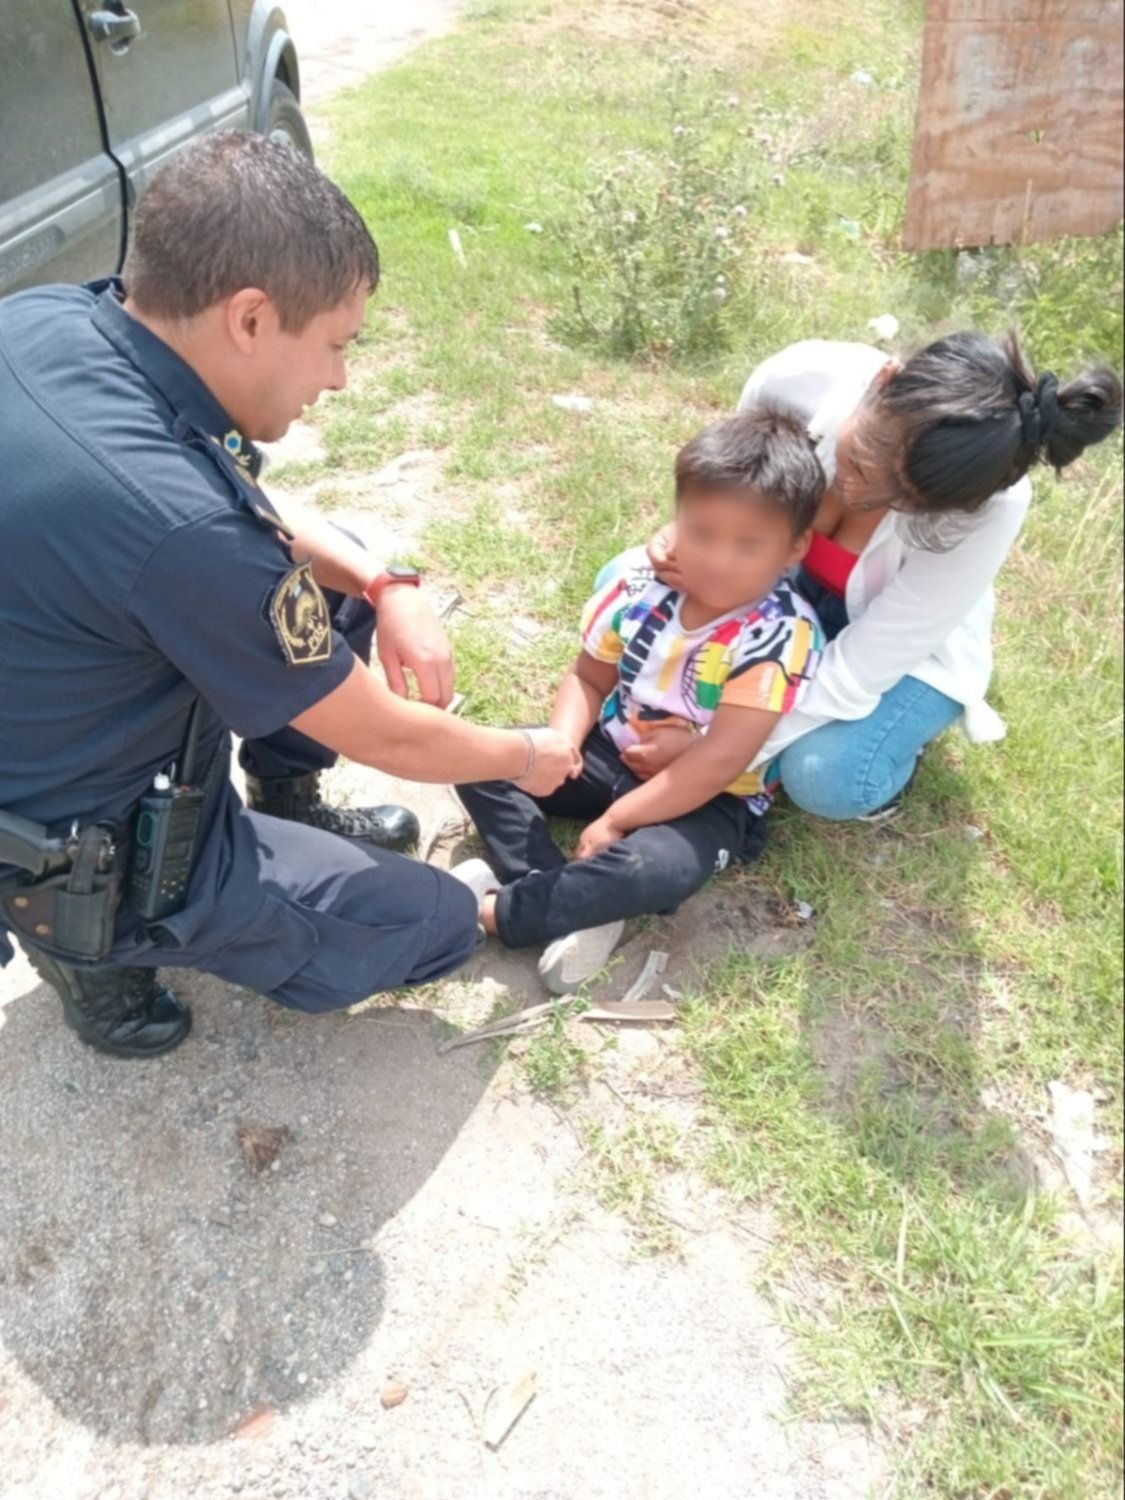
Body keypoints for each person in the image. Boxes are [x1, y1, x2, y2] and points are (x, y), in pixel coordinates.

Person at [0, 133, 578, 1059]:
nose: (340, 379)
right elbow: (381, 731)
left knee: (331, 590)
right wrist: (523, 756)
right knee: (431, 918)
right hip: (75, 837)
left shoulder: (51, 321)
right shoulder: (181, 538)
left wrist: (387, 581)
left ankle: (285, 799)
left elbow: (228, 500)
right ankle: (90, 945)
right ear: (252, 318)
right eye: (336, 346)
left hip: (51, 700)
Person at [641, 333, 1123, 821]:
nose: (861, 492)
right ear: (883, 381)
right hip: (785, 591)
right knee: (635, 581)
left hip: (906, 650)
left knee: (825, 775)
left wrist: (714, 750)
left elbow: (861, 667)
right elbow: (730, 488)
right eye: (860, 459)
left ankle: (898, 746)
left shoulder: (995, 503)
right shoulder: (799, 379)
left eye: (905, 500)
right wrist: (691, 532)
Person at [451, 408, 825, 994]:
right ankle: (575, 898)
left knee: (657, 868)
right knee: (482, 758)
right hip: (613, 749)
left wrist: (617, 821)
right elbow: (588, 677)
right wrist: (558, 747)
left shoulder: (779, 634)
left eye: (748, 544)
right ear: (676, 519)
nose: (718, 559)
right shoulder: (638, 587)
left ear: (795, 546)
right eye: (701, 533)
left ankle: (496, 913)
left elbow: (722, 760)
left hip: (709, 798)